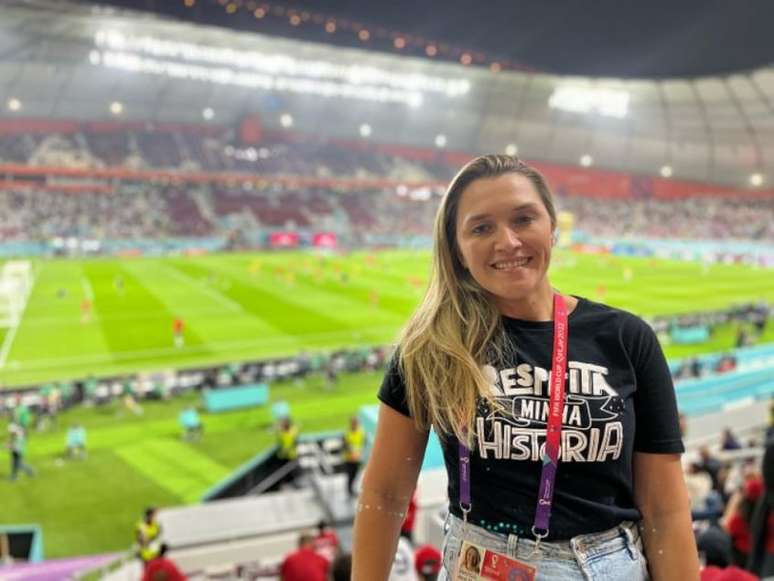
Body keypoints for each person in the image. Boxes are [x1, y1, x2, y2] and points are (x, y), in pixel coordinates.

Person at [351, 155, 699, 579]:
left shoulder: (626, 339)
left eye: (524, 219)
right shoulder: (431, 347)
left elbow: (665, 509)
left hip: (608, 565)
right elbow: (385, 494)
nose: (508, 242)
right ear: (457, 249)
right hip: (478, 563)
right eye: (481, 228)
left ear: (552, 227)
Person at [343, 416, 366, 496]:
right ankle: (349, 490)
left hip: (357, 457)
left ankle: (352, 488)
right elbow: (345, 445)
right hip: (349, 458)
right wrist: (351, 452)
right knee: (350, 474)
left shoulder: (361, 432)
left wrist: (359, 453)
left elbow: (363, 443)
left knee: (356, 474)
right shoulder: (347, 433)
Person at [275, 417, 300, 488]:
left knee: (291, 471)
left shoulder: (289, 433)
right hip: (285, 455)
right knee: (285, 471)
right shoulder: (285, 433)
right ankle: (286, 484)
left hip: (289, 455)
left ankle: (292, 483)